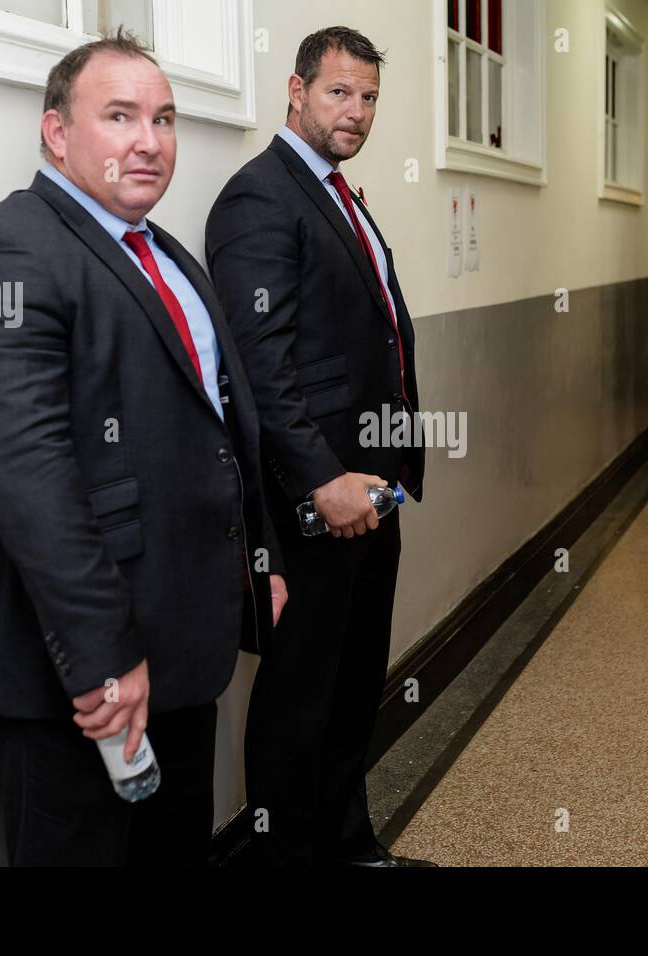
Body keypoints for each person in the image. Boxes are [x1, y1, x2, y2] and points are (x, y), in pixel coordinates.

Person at [0, 29, 286, 866]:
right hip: (83, 678)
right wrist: (103, 660)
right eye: (119, 116)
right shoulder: (3, 252)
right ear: (56, 131)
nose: (149, 142)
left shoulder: (168, 256)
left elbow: (223, 431)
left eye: (163, 120)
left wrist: (257, 563)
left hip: (183, 655)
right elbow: (28, 481)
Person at [205, 26, 430, 866]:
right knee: (300, 697)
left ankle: (348, 840)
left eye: (369, 96)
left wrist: (388, 470)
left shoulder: (340, 194)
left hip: (372, 491)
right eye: (340, 92)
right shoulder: (260, 197)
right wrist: (322, 482)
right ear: (295, 92)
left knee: (350, 685)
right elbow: (260, 366)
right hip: (315, 503)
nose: (357, 111)